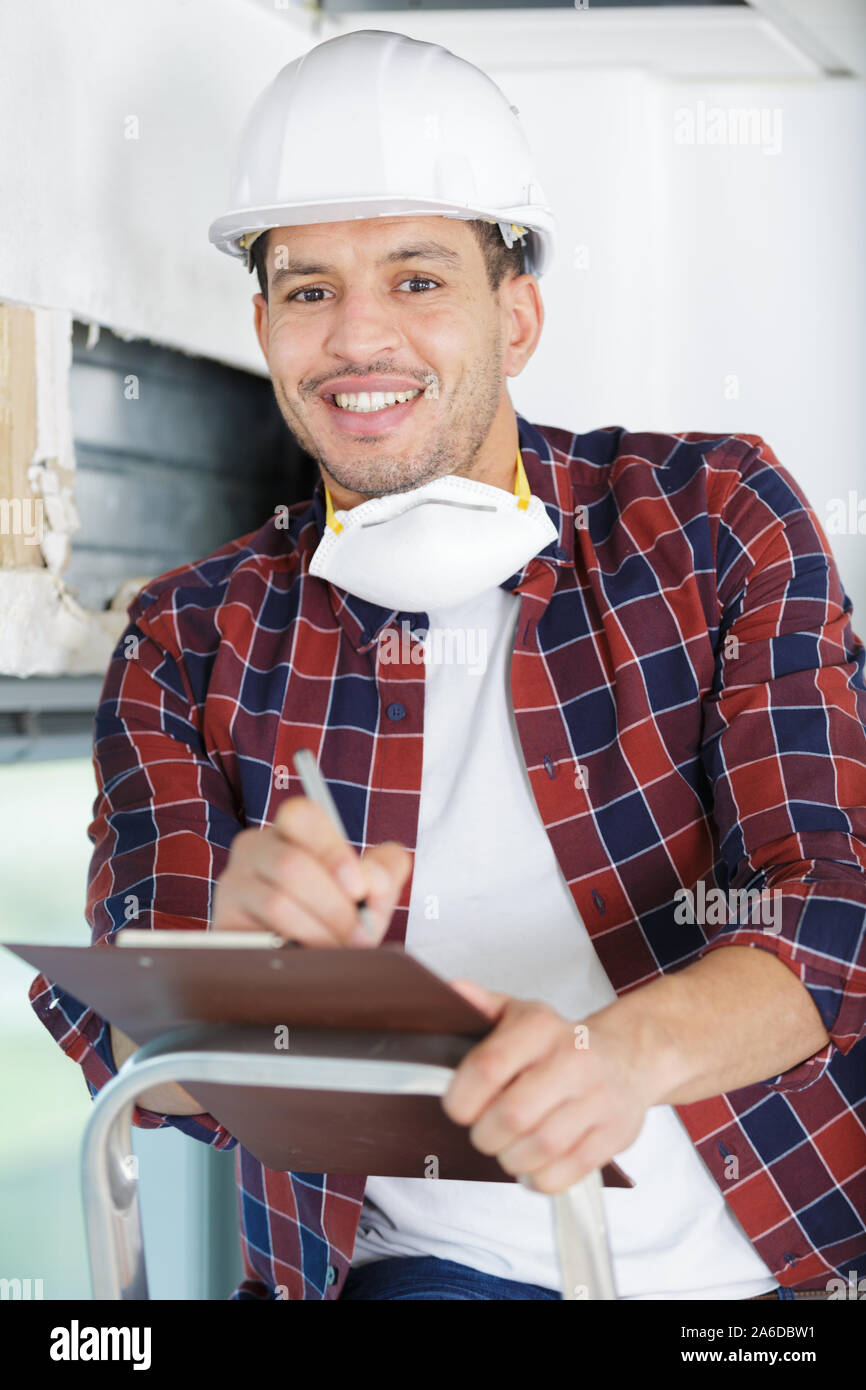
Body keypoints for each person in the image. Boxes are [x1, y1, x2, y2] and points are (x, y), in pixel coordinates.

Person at [31, 29, 865, 1302]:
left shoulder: (710, 521)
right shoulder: (189, 637)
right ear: (263, 327)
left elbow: (831, 913)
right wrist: (233, 973)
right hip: (438, 1269)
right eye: (307, 289)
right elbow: (140, 1063)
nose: (356, 338)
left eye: (415, 278)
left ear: (514, 313)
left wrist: (614, 1054)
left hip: (782, 1258)